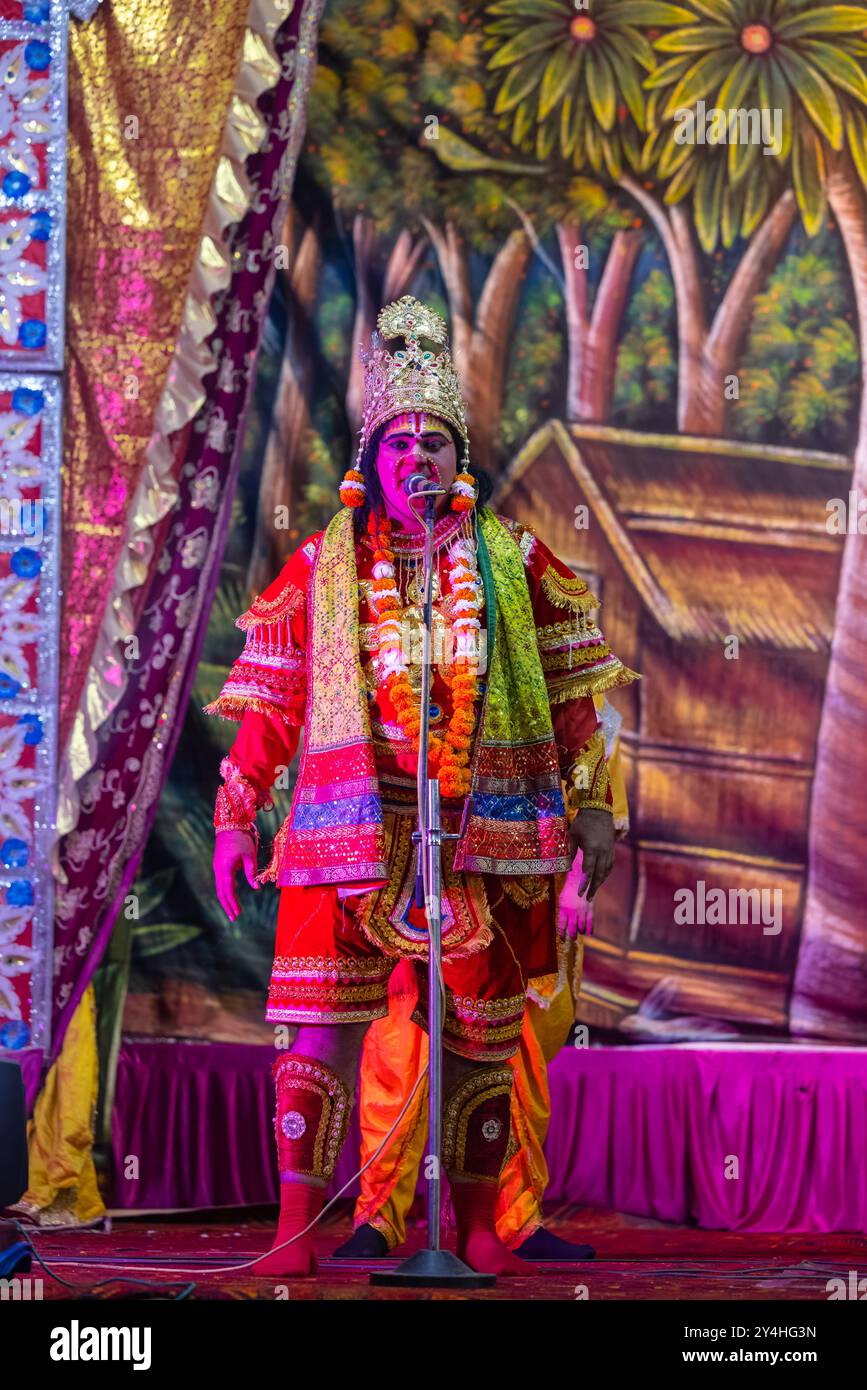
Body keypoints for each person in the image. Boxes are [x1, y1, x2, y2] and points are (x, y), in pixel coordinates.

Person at [205, 295, 640, 1277]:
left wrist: (597, 808)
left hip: (481, 824)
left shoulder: (512, 560)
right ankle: (294, 1231)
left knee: (485, 1022)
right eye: (399, 443)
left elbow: (577, 700)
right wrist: (237, 817)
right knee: (314, 1016)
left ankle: (480, 1224)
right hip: (348, 820)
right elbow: (274, 706)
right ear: (374, 460)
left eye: (434, 443)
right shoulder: (323, 567)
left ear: (458, 460)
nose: (418, 461)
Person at [332, 694, 632, 1263]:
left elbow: (599, 809)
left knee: (516, 1070)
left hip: (522, 905)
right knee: (396, 1058)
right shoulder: (410, 681)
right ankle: (378, 1218)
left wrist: (574, 888)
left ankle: (513, 1221)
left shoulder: (585, 702)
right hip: (416, 894)